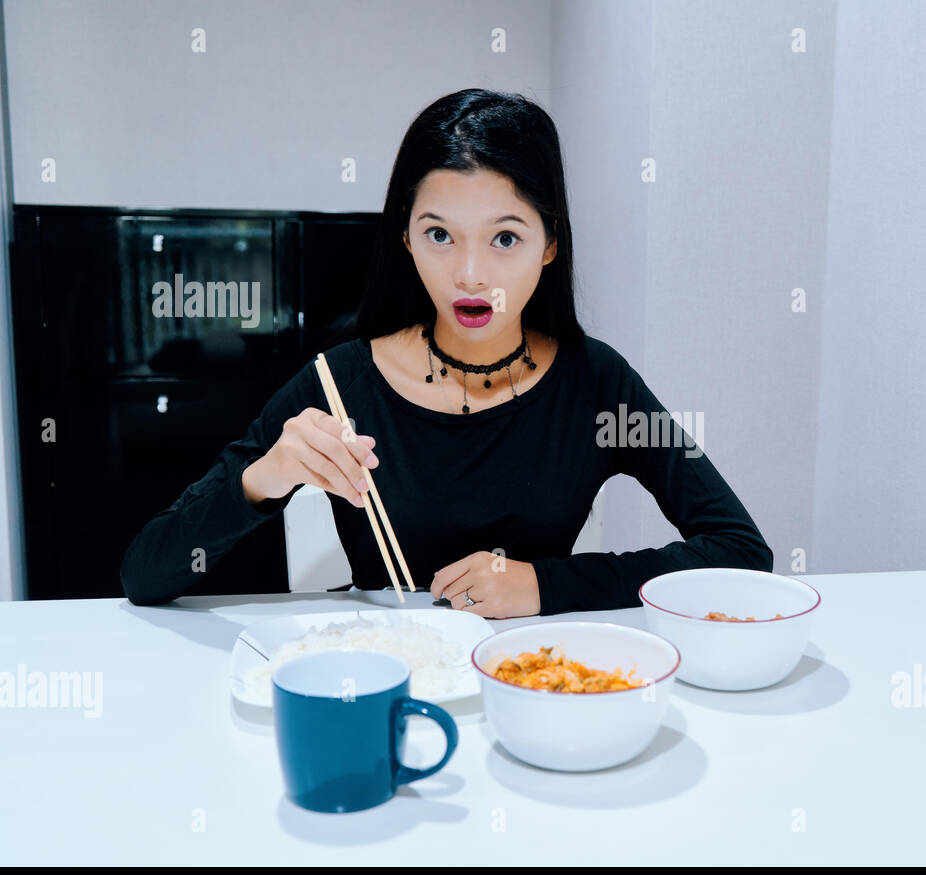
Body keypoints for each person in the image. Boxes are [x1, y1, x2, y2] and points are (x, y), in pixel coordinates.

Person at [120, 89, 773, 618]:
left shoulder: (596, 381)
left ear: (550, 244)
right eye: (439, 234)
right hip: (384, 684)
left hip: (539, 682)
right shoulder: (341, 381)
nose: (469, 273)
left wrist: (547, 584)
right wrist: (262, 478)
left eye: (505, 238)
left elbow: (741, 551)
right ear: (405, 236)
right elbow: (146, 572)